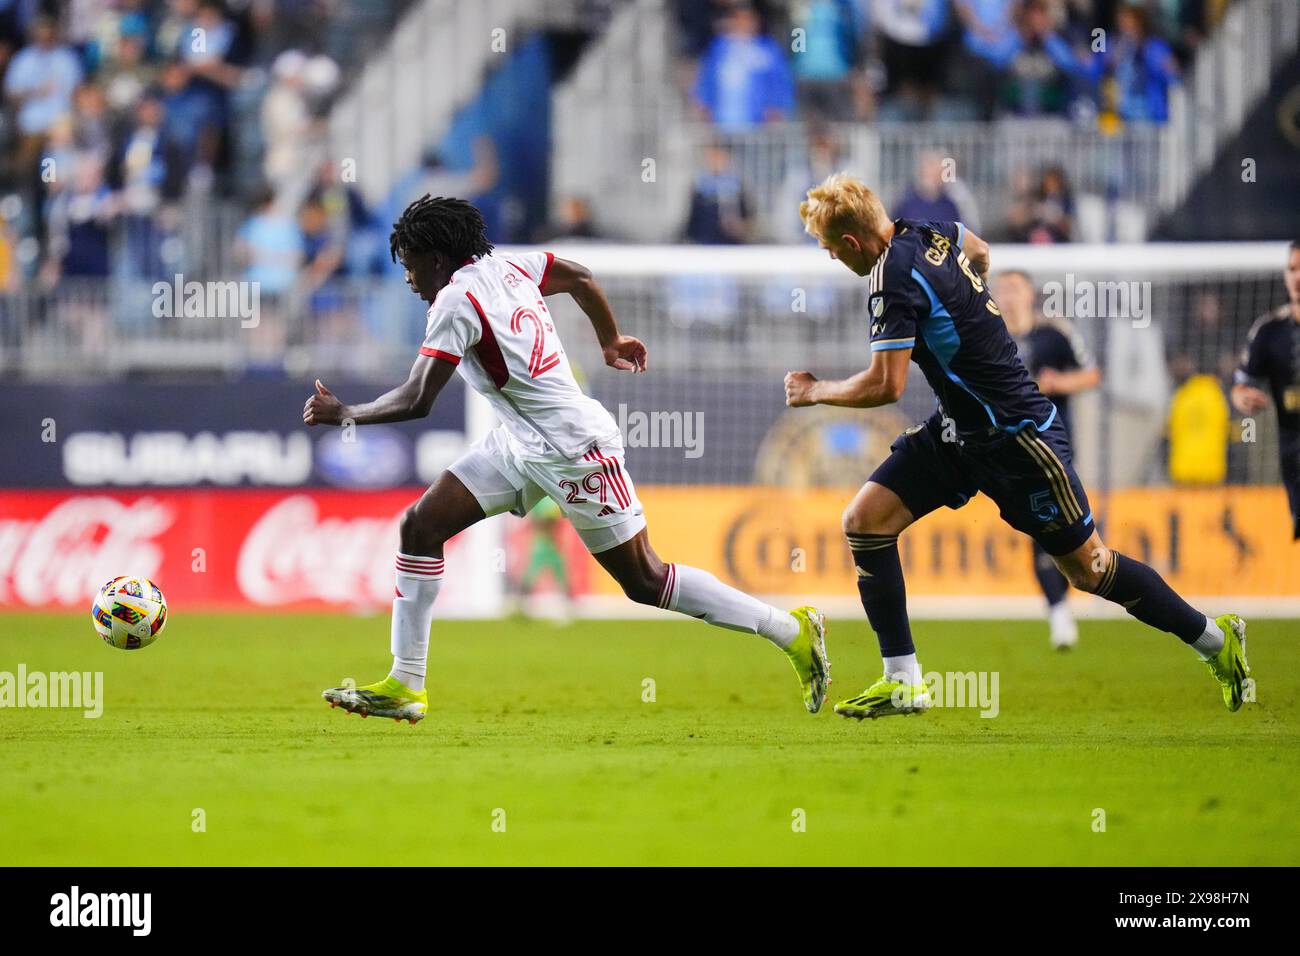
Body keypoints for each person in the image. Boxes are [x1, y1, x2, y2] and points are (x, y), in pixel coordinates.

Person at [304, 195, 829, 723]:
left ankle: (790, 631)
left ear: (438, 258)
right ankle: (406, 684)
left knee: (646, 581)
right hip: (518, 443)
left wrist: (347, 413)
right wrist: (610, 339)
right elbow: (578, 276)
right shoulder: (508, 263)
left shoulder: (454, 303)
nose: (409, 278)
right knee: (420, 527)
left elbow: (417, 399)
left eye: (412, 264)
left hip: (573, 452)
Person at [782, 173, 1249, 718]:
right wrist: (976, 312)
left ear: (852, 243)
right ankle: (903, 678)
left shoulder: (890, 276)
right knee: (865, 521)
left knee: (1089, 569)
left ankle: (1216, 640)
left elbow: (886, 385)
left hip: (1019, 438)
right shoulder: (931, 230)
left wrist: (816, 391)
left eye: (831, 251)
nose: (834, 261)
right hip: (959, 432)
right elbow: (977, 248)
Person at [993, 268, 1101, 649]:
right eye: (1001, 289)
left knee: (1061, 530)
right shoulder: (988, 336)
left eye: (1014, 289)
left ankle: (1063, 608)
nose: (1007, 296)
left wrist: (1058, 384)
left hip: (1054, 447)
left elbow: (1091, 374)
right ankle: (1058, 612)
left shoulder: (1054, 334)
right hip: (1006, 454)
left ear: (1030, 295)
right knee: (1038, 530)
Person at [1231, 240, 1300, 540]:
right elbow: (1241, 385)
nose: (1297, 277)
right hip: (1293, 455)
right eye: (1292, 269)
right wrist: (1242, 397)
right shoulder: (1269, 331)